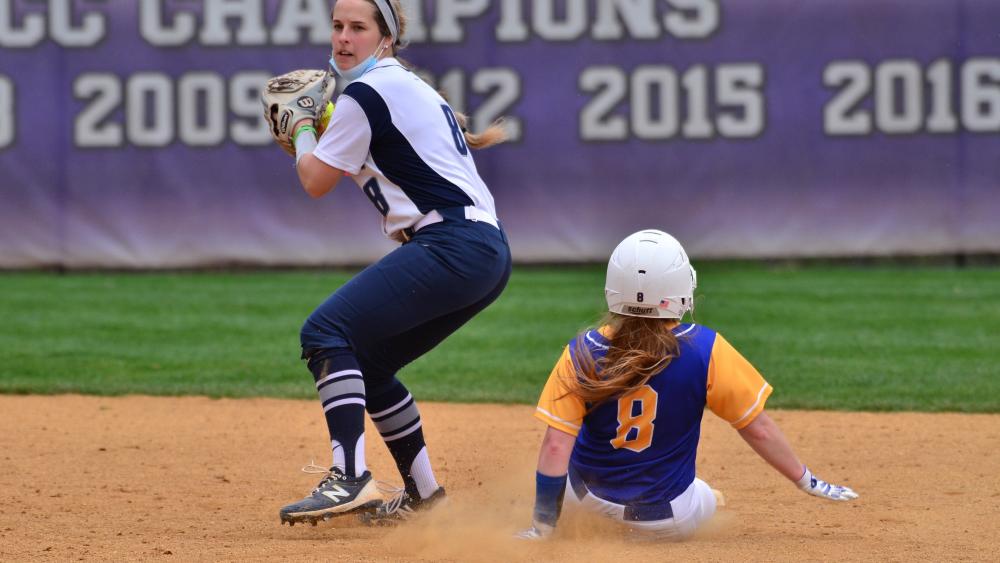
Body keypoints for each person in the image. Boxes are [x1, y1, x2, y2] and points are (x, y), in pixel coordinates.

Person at [277, 0, 511, 526]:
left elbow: (313, 180)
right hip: (483, 248)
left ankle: (348, 475)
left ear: (386, 37)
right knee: (372, 364)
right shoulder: (397, 86)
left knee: (325, 331)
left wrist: (303, 128)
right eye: (337, 26)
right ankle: (425, 498)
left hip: (454, 243)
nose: (343, 37)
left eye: (358, 27)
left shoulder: (367, 92)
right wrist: (315, 134)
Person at [518, 230, 858, 541]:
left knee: (575, 469)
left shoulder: (582, 350)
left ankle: (560, 525)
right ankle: (702, 499)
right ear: (680, 289)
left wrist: (542, 527)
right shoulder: (705, 348)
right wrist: (806, 480)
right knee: (705, 494)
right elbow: (759, 430)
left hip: (584, 505)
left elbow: (555, 448)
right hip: (666, 521)